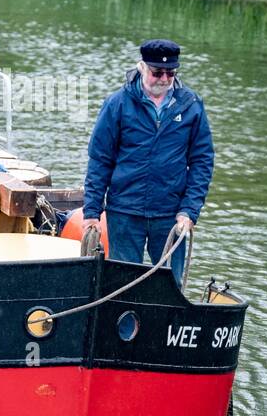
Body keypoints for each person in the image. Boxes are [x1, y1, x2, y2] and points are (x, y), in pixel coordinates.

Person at [82, 40, 214, 286]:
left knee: (168, 288)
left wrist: (189, 210)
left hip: (170, 214)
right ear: (142, 67)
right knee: (123, 286)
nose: (164, 79)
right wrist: (92, 212)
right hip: (124, 212)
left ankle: (164, 325)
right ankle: (122, 326)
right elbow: (100, 159)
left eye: (171, 73)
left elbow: (202, 161)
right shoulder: (117, 104)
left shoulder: (192, 106)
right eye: (157, 72)